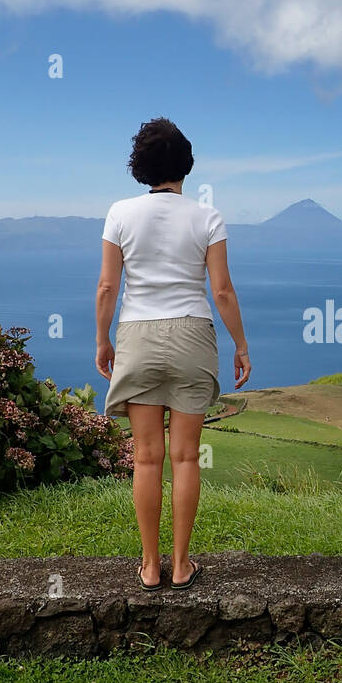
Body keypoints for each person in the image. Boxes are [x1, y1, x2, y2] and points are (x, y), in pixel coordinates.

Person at [94, 117, 250, 590]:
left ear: (140, 167)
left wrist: (103, 340)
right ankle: (181, 566)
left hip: (137, 335)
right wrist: (241, 345)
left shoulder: (120, 213)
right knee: (184, 458)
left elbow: (107, 285)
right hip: (192, 335)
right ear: (186, 165)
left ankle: (149, 567)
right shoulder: (208, 217)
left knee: (146, 459)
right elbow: (221, 291)